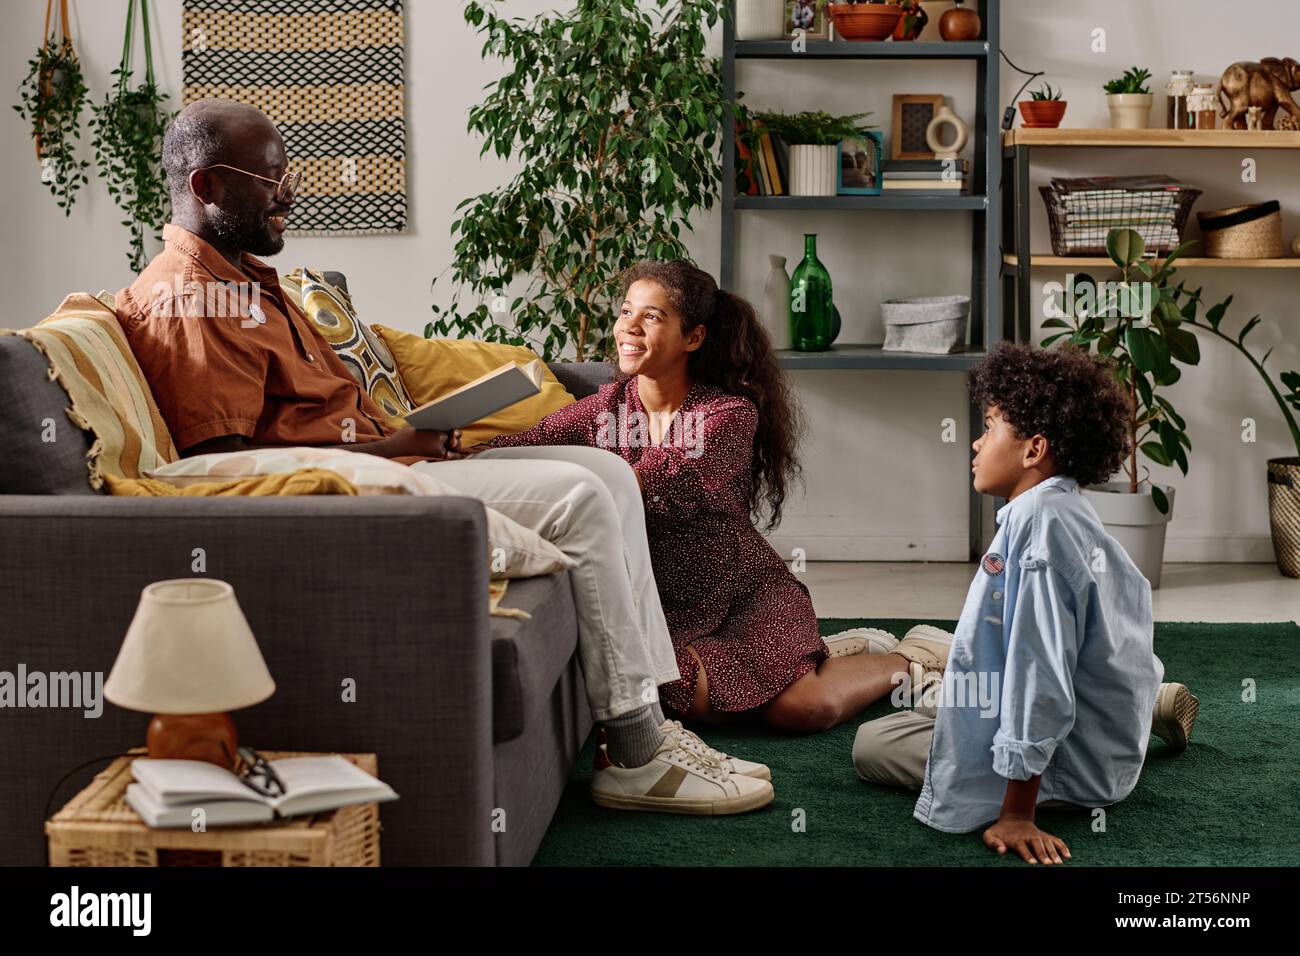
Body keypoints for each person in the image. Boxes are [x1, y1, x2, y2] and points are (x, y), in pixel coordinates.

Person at [115, 98, 771, 816]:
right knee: (581, 498)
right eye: (270, 180)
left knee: (609, 471)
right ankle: (638, 756)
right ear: (207, 186)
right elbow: (232, 464)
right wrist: (394, 446)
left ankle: (643, 727)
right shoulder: (190, 301)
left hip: (389, 457)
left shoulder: (244, 280)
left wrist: (411, 432)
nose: (288, 194)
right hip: (360, 487)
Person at [488, 259, 952, 733]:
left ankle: (912, 657)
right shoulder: (601, 409)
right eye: (626, 310)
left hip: (743, 593)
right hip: (665, 609)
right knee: (673, 695)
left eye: (652, 316)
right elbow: (511, 450)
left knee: (803, 709)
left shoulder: (728, 415)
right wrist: (429, 449)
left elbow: (644, 482)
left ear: (693, 337)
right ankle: (825, 653)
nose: (628, 325)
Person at [852, 342, 1200, 864]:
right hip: (1106, 730)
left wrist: (1017, 812)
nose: (975, 442)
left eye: (990, 426)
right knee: (954, 692)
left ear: (1034, 449)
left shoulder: (1039, 527)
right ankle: (1144, 705)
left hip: (1076, 770)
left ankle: (1129, 716)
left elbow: (1039, 673)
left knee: (873, 744)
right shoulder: (1064, 507)